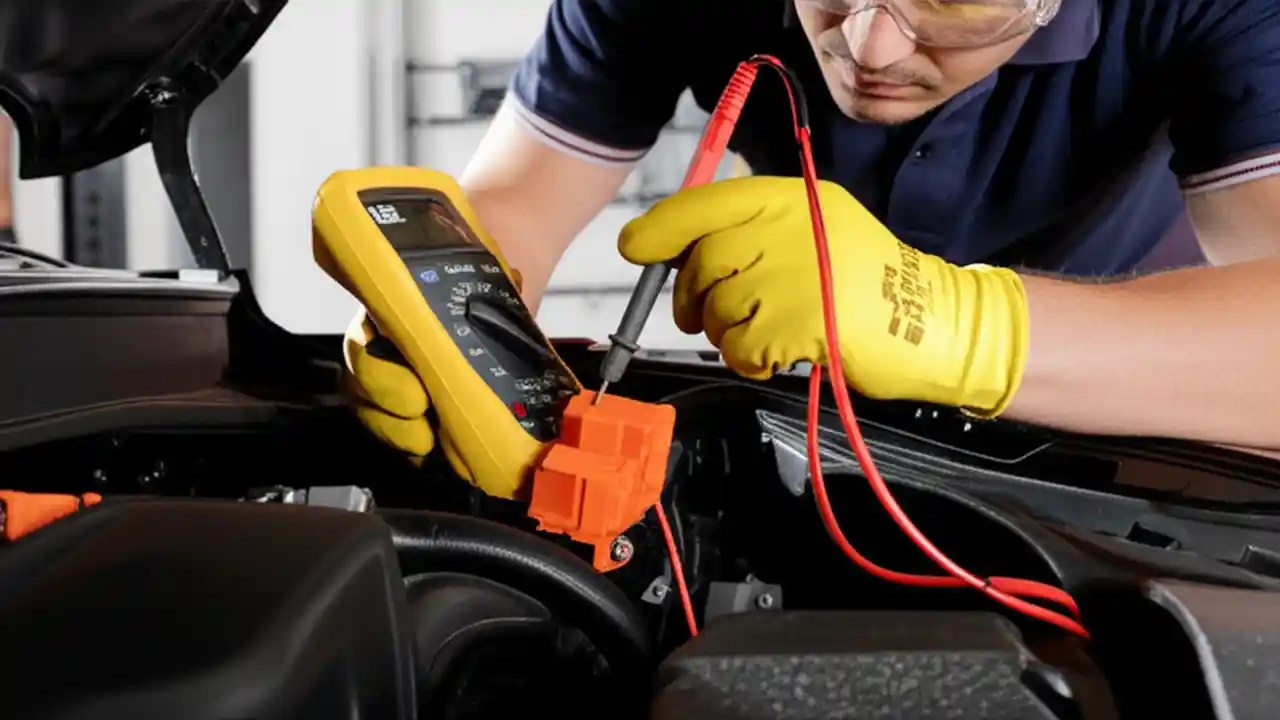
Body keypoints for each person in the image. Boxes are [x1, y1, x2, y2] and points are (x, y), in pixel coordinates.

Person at [344, 0, 1280, 467]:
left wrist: (948, 321)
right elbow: (512, 203)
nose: (868, 49)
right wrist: (450, 319)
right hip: (823, 438)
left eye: (951, 1)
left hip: (1125, 429)